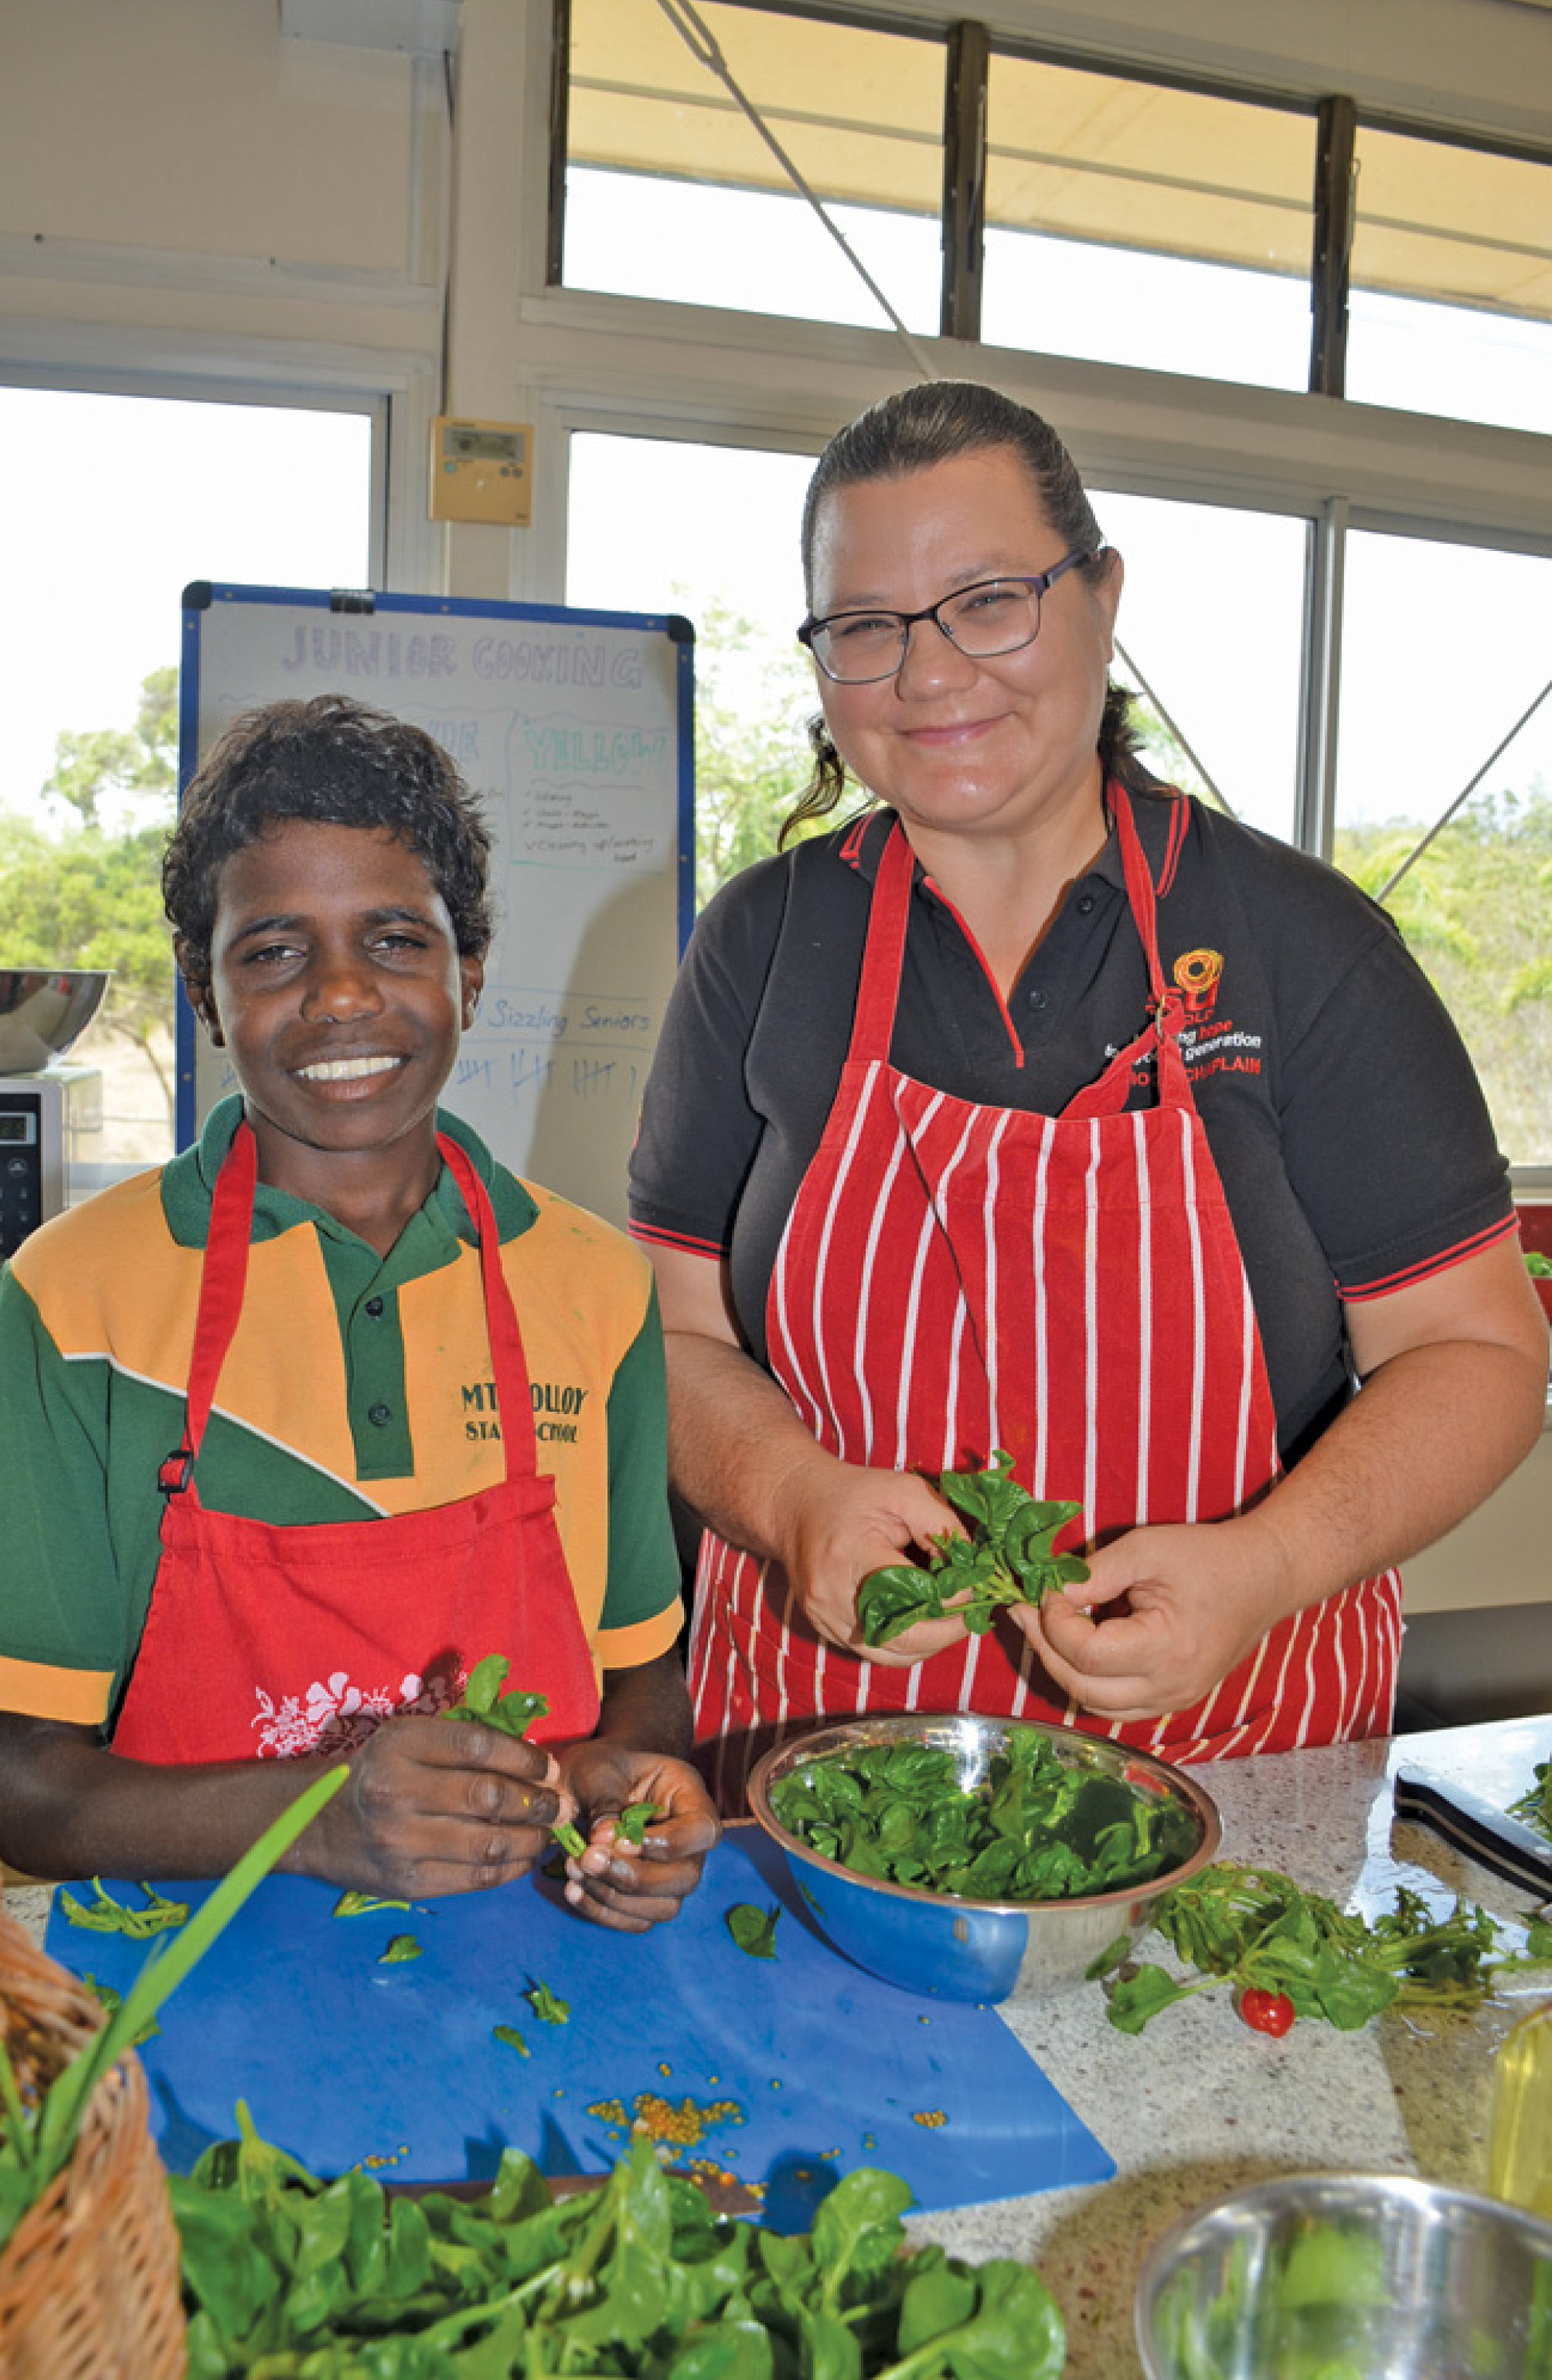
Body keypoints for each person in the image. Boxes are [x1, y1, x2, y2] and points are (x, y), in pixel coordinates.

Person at [628, 379, 1550, 1814]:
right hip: (824, 1772)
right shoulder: (764, 941)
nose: (929, 677)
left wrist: (1267, 1565)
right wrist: (789, 1494)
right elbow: (672, 1332)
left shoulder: (1298, 947)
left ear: (1101, 596)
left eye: (988, 599)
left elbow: (1481, 1353)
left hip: (1230, 1764)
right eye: (865, 627)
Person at [0, 693, 718, 1928]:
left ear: (469, 970)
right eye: (271, 951)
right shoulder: (74, 1300)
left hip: (531, 1954)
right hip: (183, 1970)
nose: (340, 994)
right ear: (206, 996)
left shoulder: (596, 1288)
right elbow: (13, 1783)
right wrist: (317, 1816)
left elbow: (636, 1671)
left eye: (394, 939)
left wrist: (622, 1780)